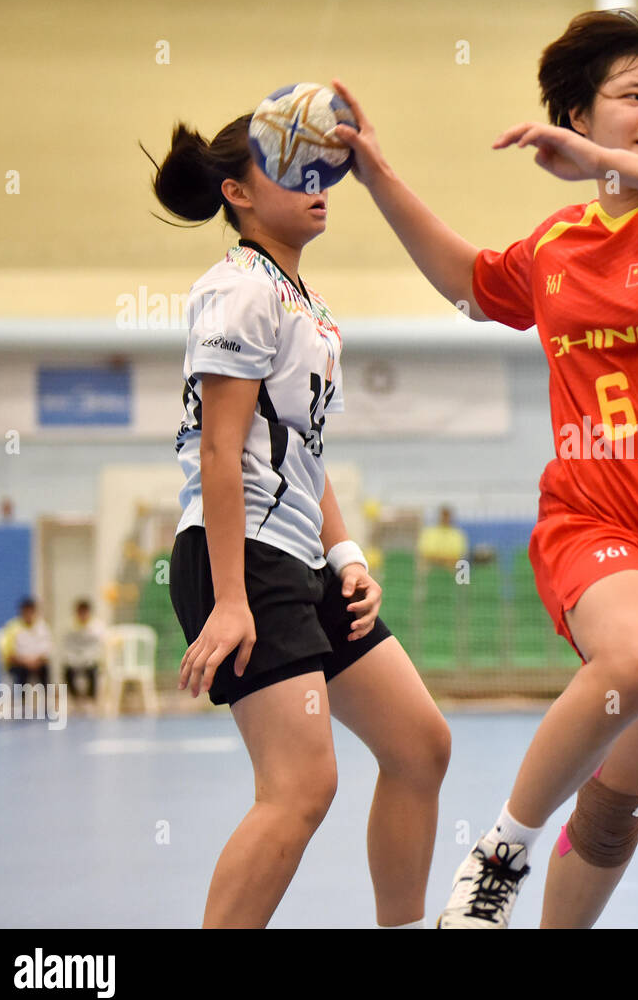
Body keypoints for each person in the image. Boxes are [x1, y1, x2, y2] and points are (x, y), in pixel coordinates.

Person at [331, 6, 638, 928]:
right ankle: (499, 853)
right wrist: (377, 176)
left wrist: (619, 167)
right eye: (635, 95)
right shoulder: (555, 249)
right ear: (577, 116)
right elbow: (466, 280)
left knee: (617, 810)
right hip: (595, 516)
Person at [144, 110, 450, 928]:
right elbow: (221, 451)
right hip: (241, 559)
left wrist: (344, 551)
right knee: (301, 786)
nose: (317, 185)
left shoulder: (304, 304)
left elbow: (302, 456)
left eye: (317, 168)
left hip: (299, 557)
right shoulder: (238, 287)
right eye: (291, 170)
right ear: (239, 194)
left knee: (420, 745)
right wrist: (234, 598)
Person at [0, 598, 53, 689]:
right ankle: (21, 699)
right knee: (22, 672)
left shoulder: (42, 627)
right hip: (19, 664)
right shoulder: (12, 628)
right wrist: (25, 663)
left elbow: (47, 650)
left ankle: (46, 698)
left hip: (38, 663)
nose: (28, 614)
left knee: (45, 669)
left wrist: (36, 662)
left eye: (31, 611)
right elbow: (8, 654)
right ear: (21, 612)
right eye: (26, 612)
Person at [61, 599, 106, 705]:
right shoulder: (69, 627)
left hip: (90, 659)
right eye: (80, 612)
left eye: (84, 612)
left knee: (93, 669)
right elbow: (67, 647)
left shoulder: (97, 627)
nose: (82, 615)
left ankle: (91, 698)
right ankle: (74, 697)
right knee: (67, 670)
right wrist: (73, 659)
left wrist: (90, 658)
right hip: (74, 659)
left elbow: (99, 647)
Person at [415, 505, 468, 573]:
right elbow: (424, 550)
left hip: (451, 564)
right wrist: (438, 558)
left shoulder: (457, 534)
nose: (445, 518)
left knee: (462, 564)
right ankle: (422, 583)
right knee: (422, 563)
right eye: (443, 515)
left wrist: (444, 558)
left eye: (447, 516)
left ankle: (455, 583)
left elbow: (459, 552)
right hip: (432, 563)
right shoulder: (429, 532)